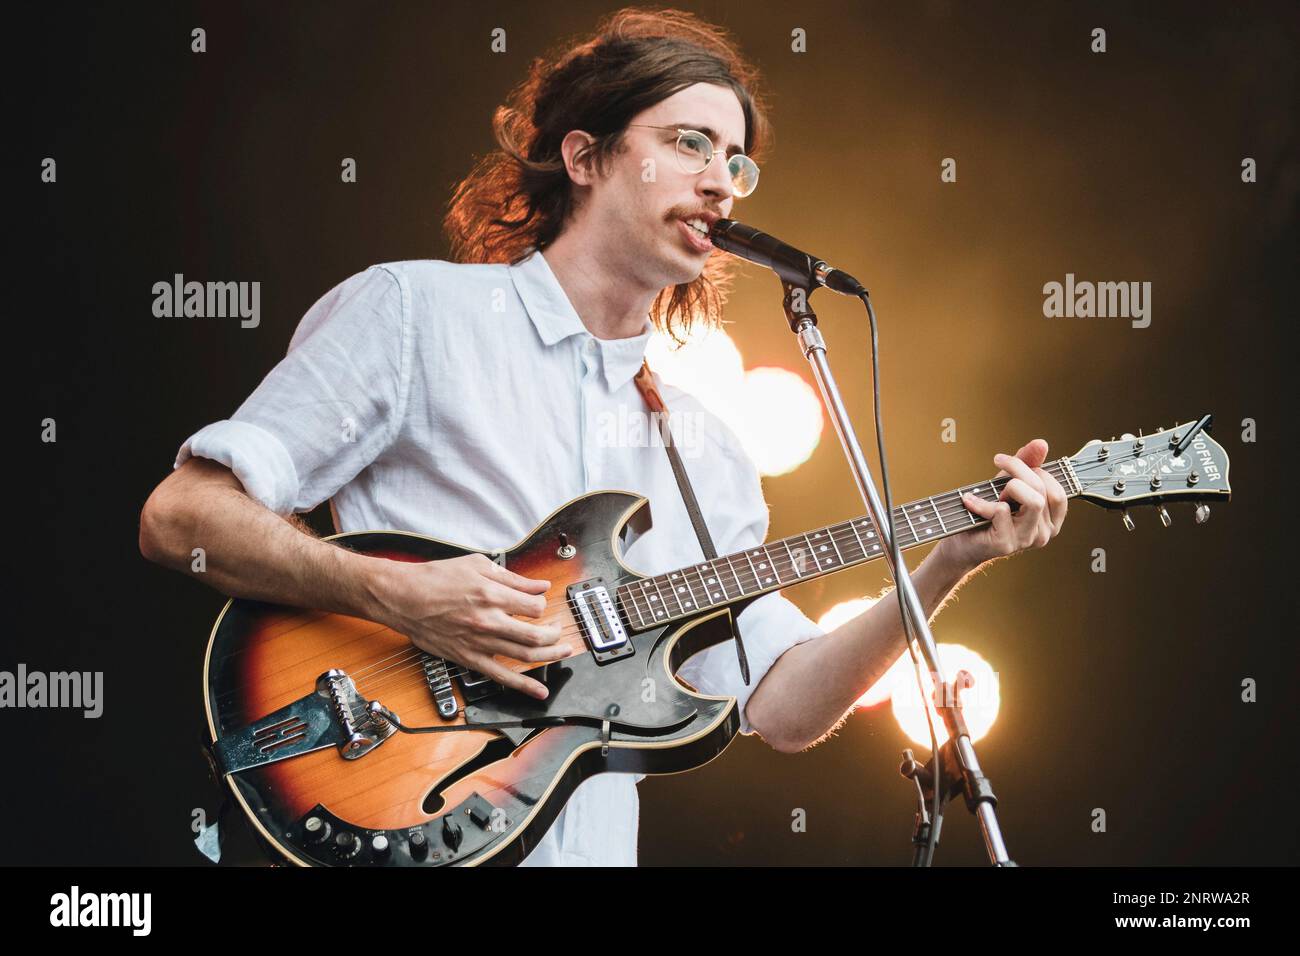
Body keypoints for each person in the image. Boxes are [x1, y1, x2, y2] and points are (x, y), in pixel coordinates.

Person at [138, 8, 1068, 866]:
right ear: (584, 157)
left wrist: (944, 563)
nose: (720, 180)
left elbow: (782, 707)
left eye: (737, 162)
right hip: (378, 788)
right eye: (689, 142)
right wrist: (397, 592)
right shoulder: (417, 314)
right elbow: (181, 518)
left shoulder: (706, 447)